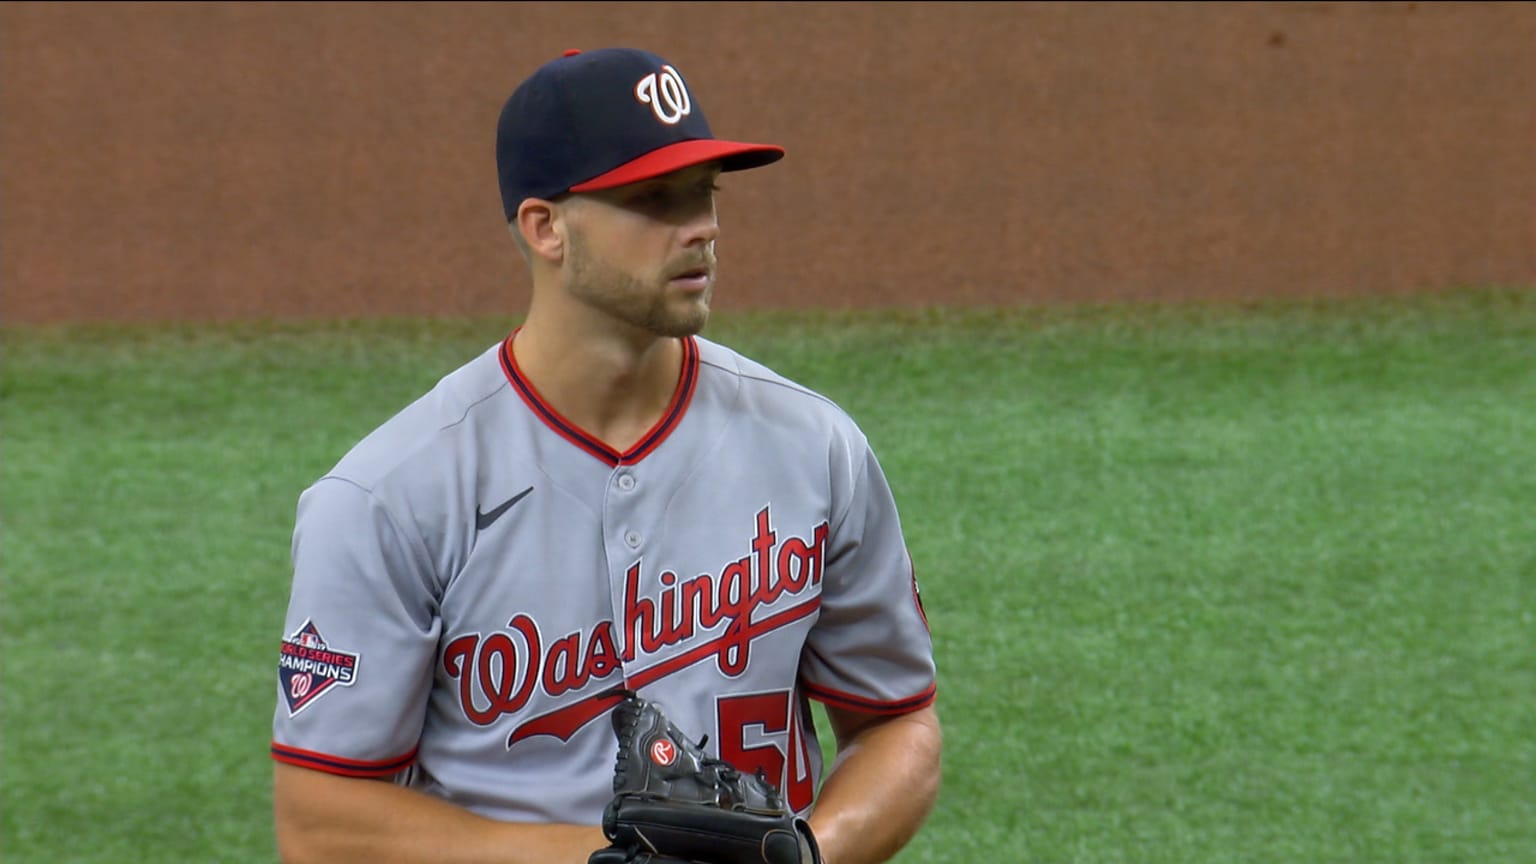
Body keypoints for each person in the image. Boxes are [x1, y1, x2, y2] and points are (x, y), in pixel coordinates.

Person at [270, 46, 941, 864]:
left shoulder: (814, 446)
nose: (702, 227)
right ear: (545, 227)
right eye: (654, 200)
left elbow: (899, 722)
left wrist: (808, 853)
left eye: (705, 192)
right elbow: (319, 822)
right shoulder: (388, 495)